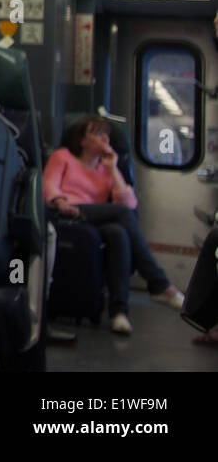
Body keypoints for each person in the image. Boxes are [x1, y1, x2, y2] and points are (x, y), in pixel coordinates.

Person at [44, 115, 185, 335]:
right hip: (65, 212)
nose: (105, 138)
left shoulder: (105, 169)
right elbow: (49, 185)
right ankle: (159, 284)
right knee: (120, 214)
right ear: (82, 140)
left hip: (94, 218)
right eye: (98, 133)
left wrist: (112, 168)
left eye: (106, 134)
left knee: (118, 232)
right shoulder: (63, 157)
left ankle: (119, 312)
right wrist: (60, 201)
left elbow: (129, 204)